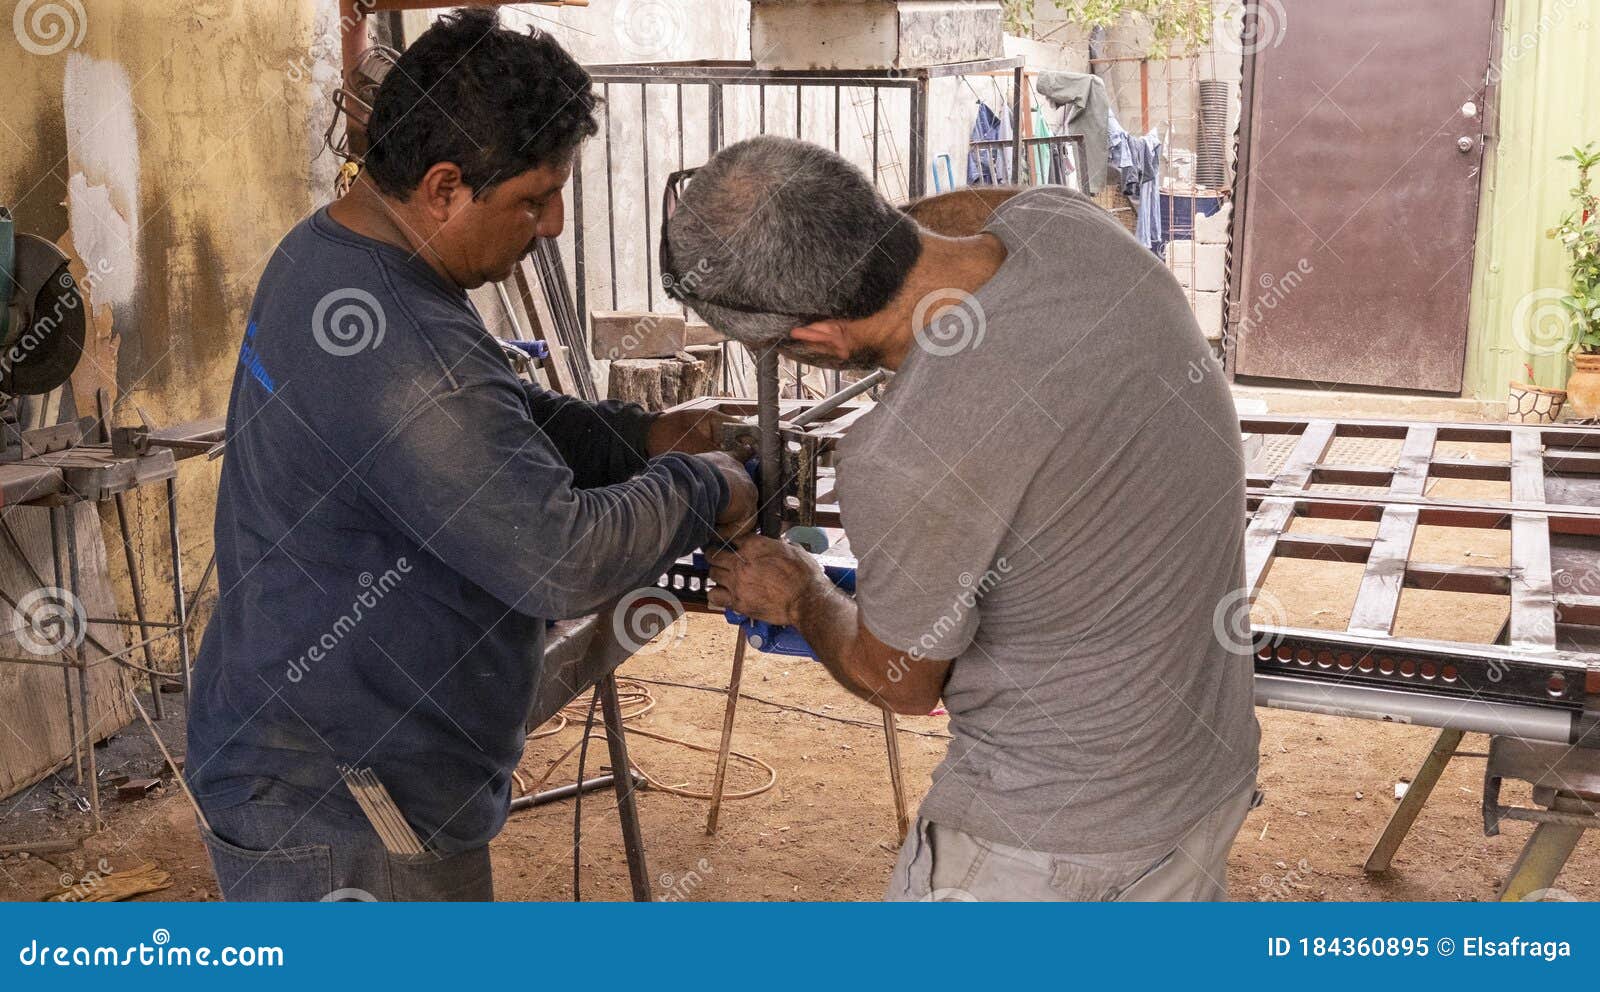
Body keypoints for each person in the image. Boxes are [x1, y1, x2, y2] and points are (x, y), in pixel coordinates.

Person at [186, 9, 754, 902]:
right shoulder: (399, 333)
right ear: (446, 185)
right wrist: (703, 485)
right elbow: (557, 558)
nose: (555, 225)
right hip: (346, 804)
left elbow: (489, 416)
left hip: (324, 761)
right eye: (533, 198)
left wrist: (637, 437)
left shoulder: (335, 255)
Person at [666, 135, 1261, 901]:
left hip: (1045, 847)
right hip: (1201, 783)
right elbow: (991, 206)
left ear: (816, 336)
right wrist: (846, 237)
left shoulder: (903, 453)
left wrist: (801, 596)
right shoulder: (1078, 232)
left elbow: (903, 681)